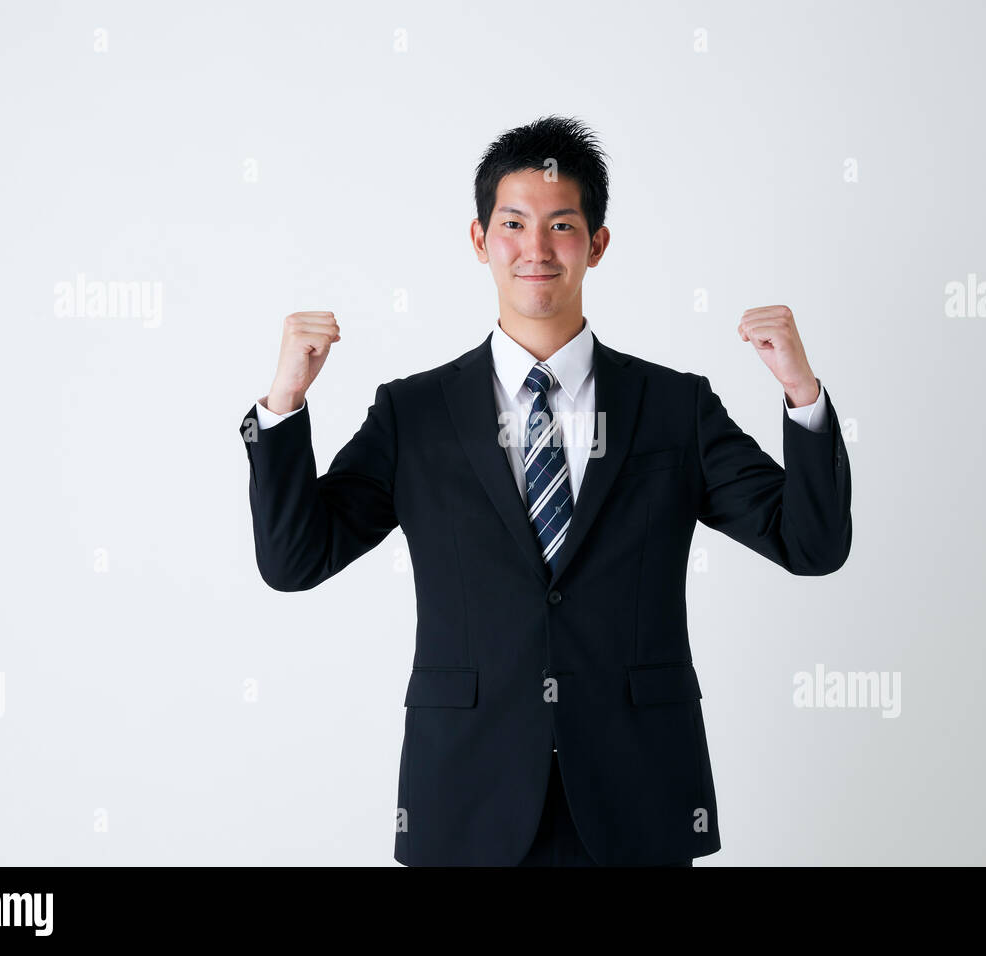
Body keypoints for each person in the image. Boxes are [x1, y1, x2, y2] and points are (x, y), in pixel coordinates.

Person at [238, 115, 853, 866]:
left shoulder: (674, 408)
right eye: (514, 224)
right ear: (479, 240)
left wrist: (801, 393)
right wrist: (284, 406)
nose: (536, 249)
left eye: (562, 226)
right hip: (466, 793)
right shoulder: (415, 413)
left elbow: (812, 544)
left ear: (596, 244)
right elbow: (294, 561)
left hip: (640, 793)